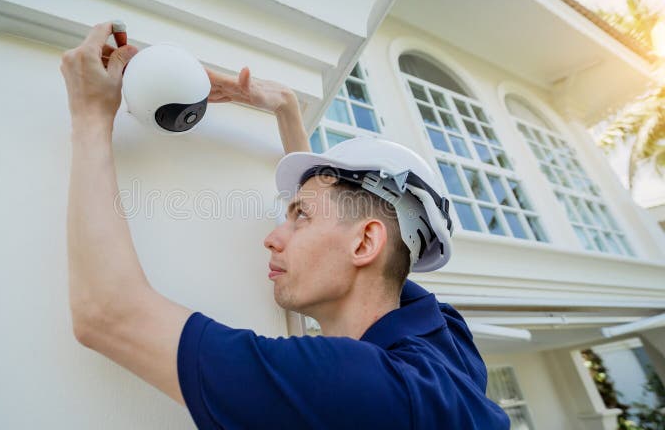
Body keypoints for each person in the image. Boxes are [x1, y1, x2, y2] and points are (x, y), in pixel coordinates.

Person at [60, 22, 510, 429]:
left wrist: (90, 115)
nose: (272, 237)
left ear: (367, 243)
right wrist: (286, 111)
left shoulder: (361, 389)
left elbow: (106, 314)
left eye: (299, 218)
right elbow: (357, 247)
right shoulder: (443, 340)